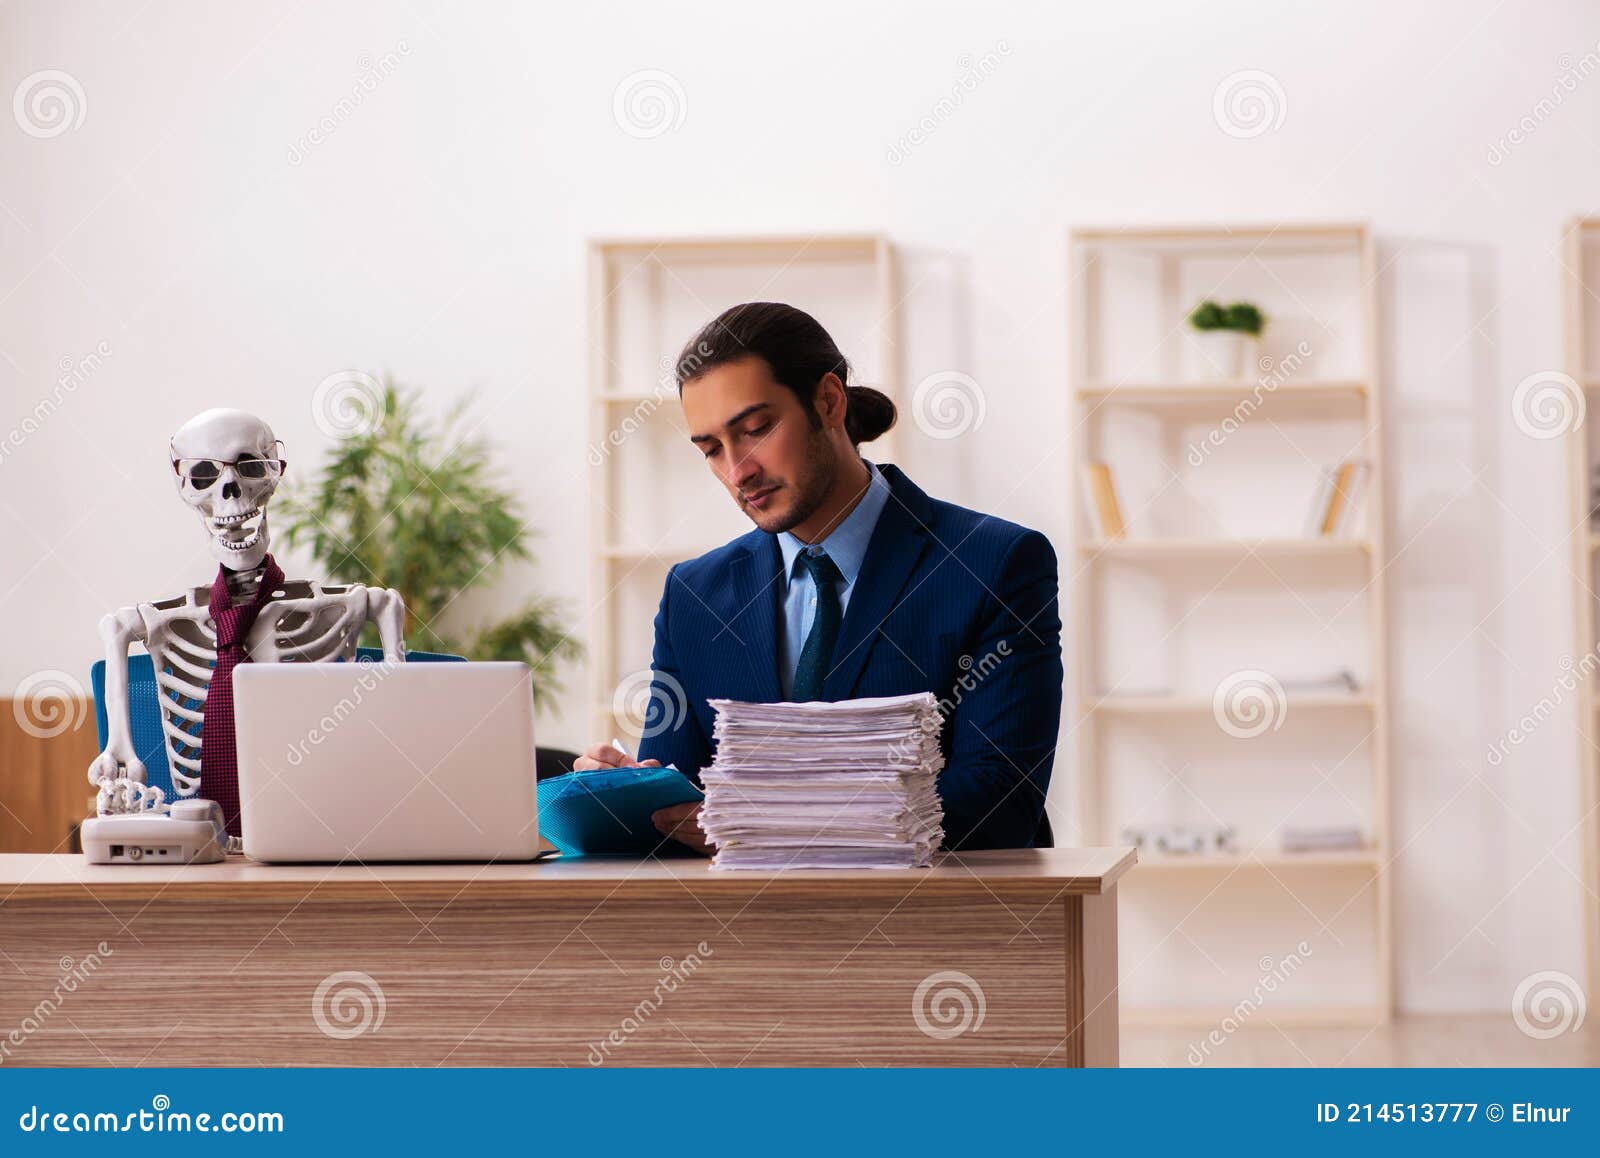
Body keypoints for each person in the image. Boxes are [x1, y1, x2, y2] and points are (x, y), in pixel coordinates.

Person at [575, 301, 1063, 855]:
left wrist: (759, 823)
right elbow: (676, 813)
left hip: (939, 909)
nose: (737, 471)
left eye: (755, 430)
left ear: (829, 401)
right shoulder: (694, 594)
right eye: (711, 450)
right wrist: (621, 795)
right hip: (742, 913)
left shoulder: (993, 563)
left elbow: (999, 804)